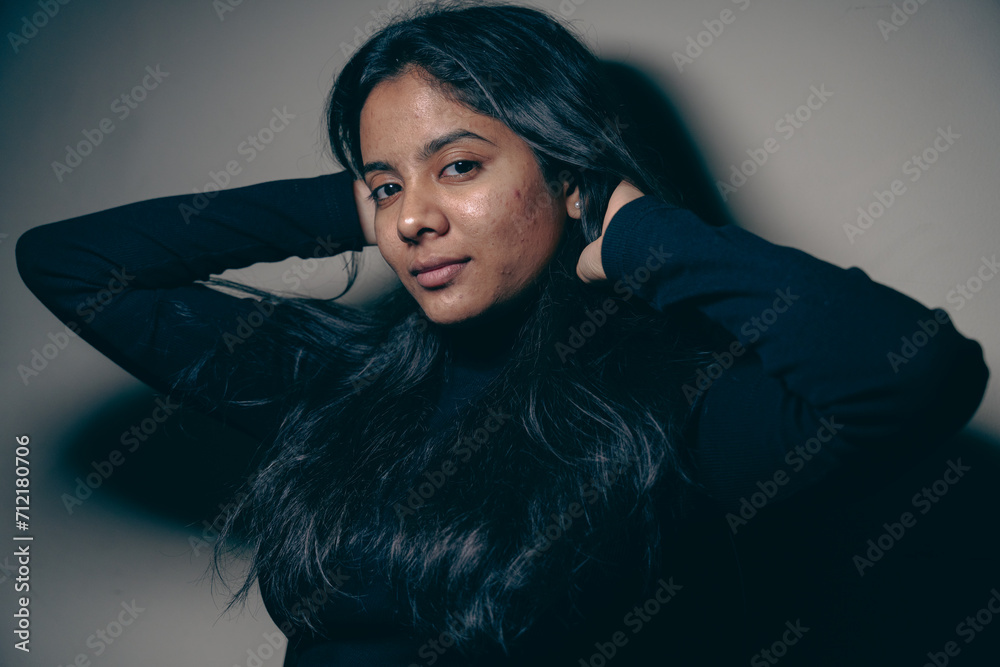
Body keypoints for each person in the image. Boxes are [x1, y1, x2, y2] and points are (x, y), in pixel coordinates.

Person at [14, 2, 989, 665]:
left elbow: (915, 375)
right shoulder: (340, 383)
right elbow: (72, 263)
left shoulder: (675, 402)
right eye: (385, 185)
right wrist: (362, 196)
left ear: (567, 173)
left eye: (461, 167)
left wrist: (634, 226)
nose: (411, 220)